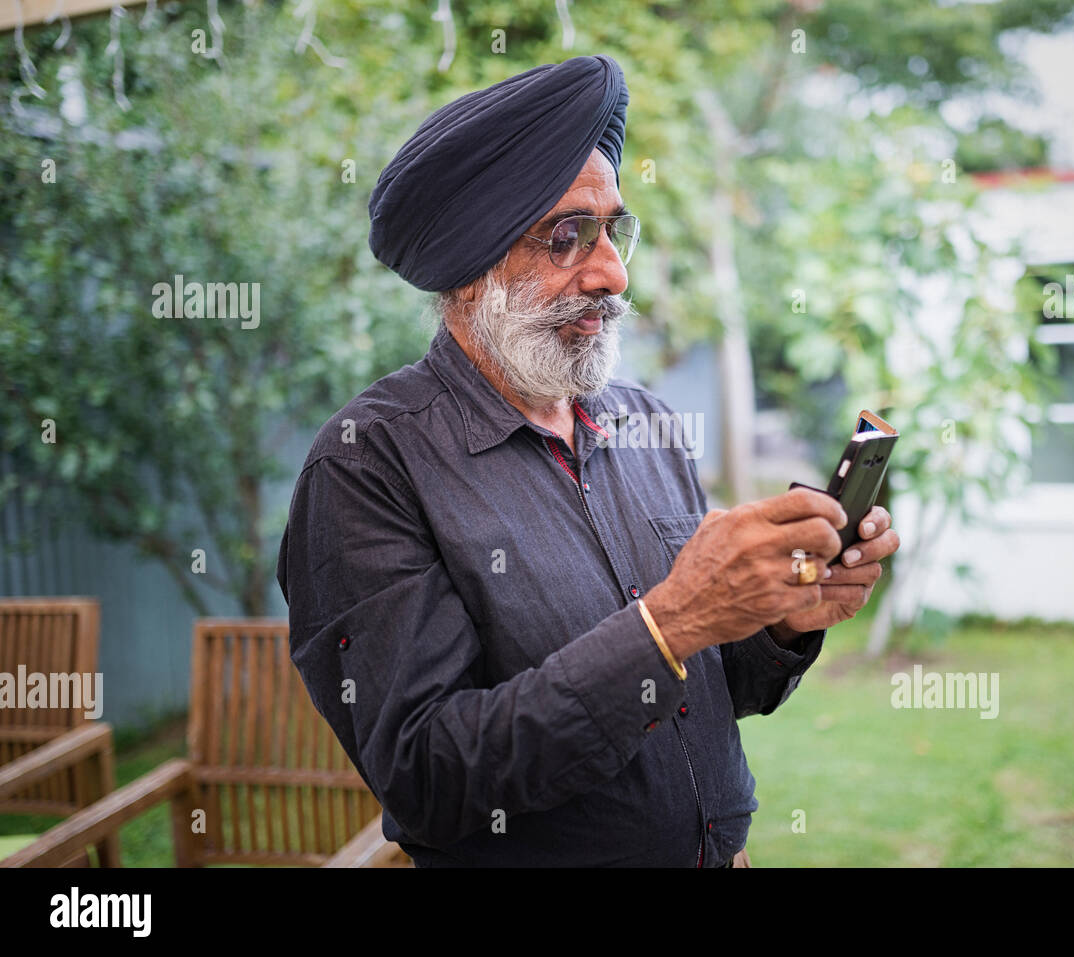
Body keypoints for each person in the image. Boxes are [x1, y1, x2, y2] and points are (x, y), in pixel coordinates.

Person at [276, 53, 900, 867]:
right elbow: (427, 777)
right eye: (566, 236)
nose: (612, 272)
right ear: (471, 268)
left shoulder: (642, 422)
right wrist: (671, 620)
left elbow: (709, 685)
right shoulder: (368, 467)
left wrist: (781, 617)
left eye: (613, 230)